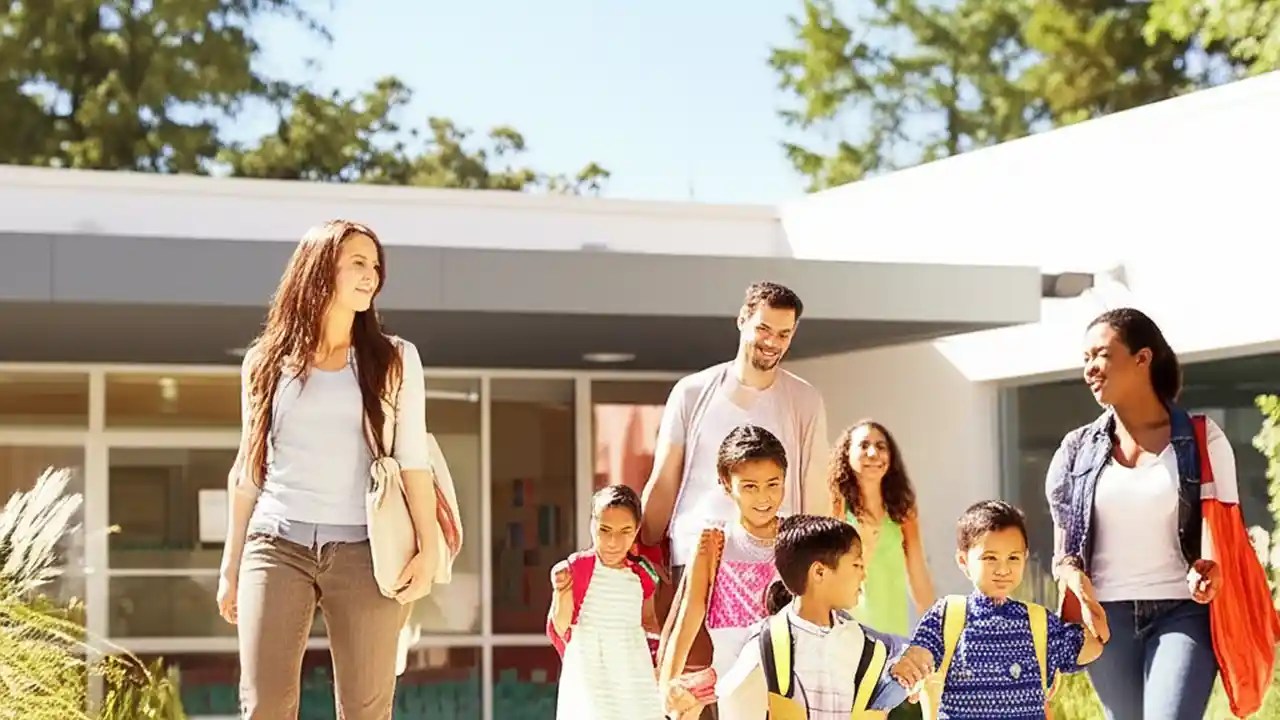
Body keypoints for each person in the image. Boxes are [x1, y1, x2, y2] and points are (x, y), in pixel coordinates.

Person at [215, 220, 438, 720]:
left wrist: (426, 547)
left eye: (376, 266)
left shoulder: (396, 359)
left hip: (365, 551)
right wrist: (230, 567)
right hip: (276, 544)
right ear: (319, 267)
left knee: (365, 709)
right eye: (358, 263)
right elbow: (247, 470)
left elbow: (412, 461)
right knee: (264, 706)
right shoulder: (265, 361)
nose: (371, 276)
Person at [1045, 307, 1239, 720]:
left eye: (1101, 354)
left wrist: (1210, 567)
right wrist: (1070, 573)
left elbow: (1220, 528)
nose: (1091, 369)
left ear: (1142, 357)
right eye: (1085, 359)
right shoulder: (1075, 451)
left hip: (1181, 609)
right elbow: (1063, 548)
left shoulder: (1202, 439)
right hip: (1107, 616)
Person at [641, 280, 831, 589]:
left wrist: (816, 562)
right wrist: (643, 553)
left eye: (784, 334)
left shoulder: (805, 400)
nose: (773, 342)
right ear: (743, 320)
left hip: (775, 561)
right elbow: (664, 478)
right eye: (764, 329)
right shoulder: (692, 392)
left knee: (770, 641)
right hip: (696, 554)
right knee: (689, 639)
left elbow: (815, 487)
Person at [890, 501, 1106, 720]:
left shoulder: (1039, 623)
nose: (1003, 569)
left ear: (1025, 557)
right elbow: (920, 653)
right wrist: (911, 668)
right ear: (963, 561)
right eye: (990, 558)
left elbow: (1090, 647)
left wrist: (1083, 596)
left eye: (1013, 558)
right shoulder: (947, 616)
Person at [715, 513, 910, 719]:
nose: (863, 575)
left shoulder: (861, 642)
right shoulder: (770, 645)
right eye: (856, 565)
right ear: (819, 572)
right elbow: (734, 702)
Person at [658, 425, 788, 719]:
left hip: (786, 678)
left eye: (773, 484)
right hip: (733, 682)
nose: (764, 497)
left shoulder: (795, 540)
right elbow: (690, 614)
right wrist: (666, 684)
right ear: (727, 485)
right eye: (750, 487)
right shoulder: (713, 543)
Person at [548, 484, 664, 720]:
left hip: (633, 668)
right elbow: (560, 626)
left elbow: (649, 622)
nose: (613, 541)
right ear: (592, 524)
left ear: (637, 529)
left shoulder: (642, 574)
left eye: (625, 531)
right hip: (591, 668)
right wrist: (562, 591)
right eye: (605, 529)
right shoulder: (577, 568)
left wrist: (659, 662)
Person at [829, 420, 935, 634]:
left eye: (881, 446)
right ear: (846, 453)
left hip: (893, 631)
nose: (873, 453)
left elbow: (917, 572)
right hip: (849, 631)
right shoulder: (837, 504)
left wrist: (935, 627)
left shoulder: (903, 509)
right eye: (864, 445)